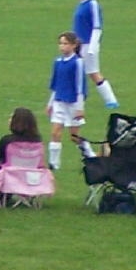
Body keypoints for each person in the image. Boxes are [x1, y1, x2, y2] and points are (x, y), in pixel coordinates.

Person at [72, 0, 122, 109]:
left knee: (93, 73)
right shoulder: (81, 5)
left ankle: (110, 100)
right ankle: (78, 100)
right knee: (78, 72)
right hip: (79, 45)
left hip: (88, 45)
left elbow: (97, 26)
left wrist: (92, 48)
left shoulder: (92, 4)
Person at [47, 32, 94, 170]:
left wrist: (80, 107)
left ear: (74, 45)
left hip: (73, 103)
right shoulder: (57, 62)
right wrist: (50, 103)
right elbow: (55, 85)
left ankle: (89, 152)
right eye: (60, 43)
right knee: (55, 132)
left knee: (74, 136)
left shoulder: (78, 63)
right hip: (59, 102)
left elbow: (80, 86)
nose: (62, 46)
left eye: (65, 43)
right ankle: (54, 163)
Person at [0, 105, 42, 170]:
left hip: (9, 177)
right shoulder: (38, 141)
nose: (9, 120)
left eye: (11, 118)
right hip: (31, 177)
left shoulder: (7, 141)